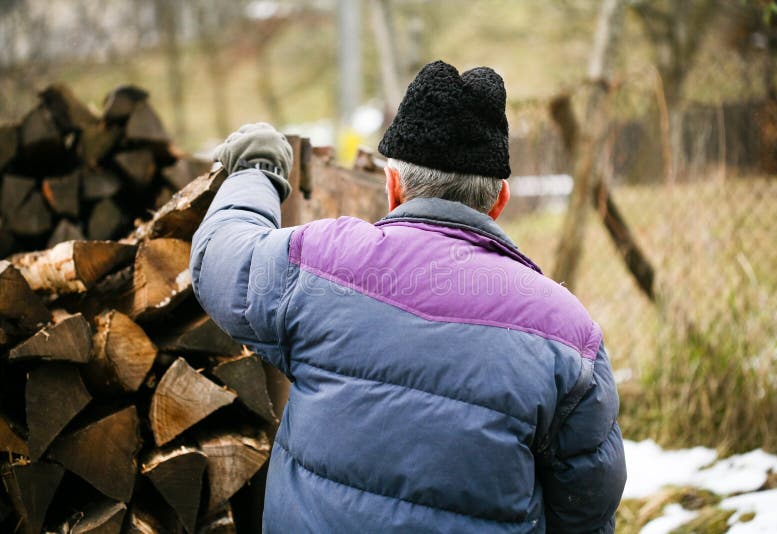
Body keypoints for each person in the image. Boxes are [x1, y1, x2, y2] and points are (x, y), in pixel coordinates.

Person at [190, 60, 626, 533]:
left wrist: (259, 169)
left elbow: (220, 258)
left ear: (392, 186)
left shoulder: (318, 263)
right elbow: (588, 504)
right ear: (499, 201)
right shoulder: (568, 334)